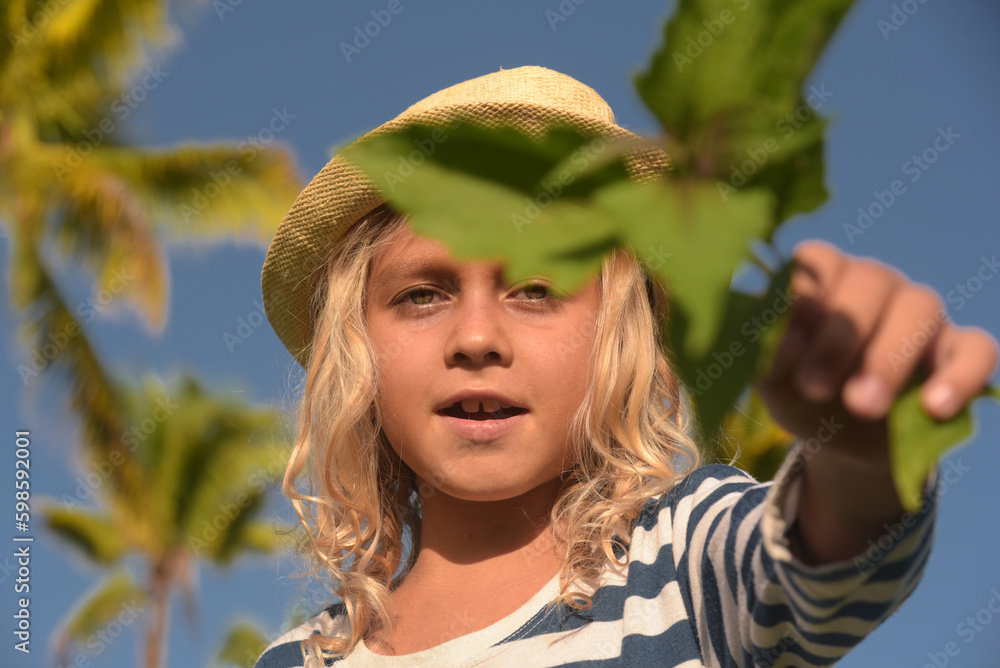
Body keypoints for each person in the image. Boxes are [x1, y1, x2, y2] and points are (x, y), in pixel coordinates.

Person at [253, 66, 997, 667]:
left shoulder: (682, 559)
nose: (476, 335)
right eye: (421, 295)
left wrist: (862, 451)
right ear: (357, 353)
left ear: (620, 335)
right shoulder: (300, 659)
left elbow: (822, 565)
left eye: (539, 289)